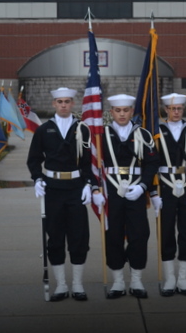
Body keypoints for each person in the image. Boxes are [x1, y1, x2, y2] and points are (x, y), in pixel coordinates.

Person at [27, 87, 103, 302]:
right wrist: (37, 178)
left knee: (79, 237)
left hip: (76, 188)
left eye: (67, 101)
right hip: (53, 189)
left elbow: (89, 163)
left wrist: (90, 184)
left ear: (73, 104)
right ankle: (61, 284)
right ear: (53, 104)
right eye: (59, 101)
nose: (63, 105)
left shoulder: (82, 129)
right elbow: (34, 159)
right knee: (56, 237)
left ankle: (77, 284)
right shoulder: (44, 130)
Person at [100, 94, 159, 299]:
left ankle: (136, 280)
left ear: (131, 112)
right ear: (111, 113)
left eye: (126, 110)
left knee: (139, 234)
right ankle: (117, 281)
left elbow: (152, 164)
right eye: (118, 110)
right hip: (111, 192)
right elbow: (93, 164)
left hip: (136, 191)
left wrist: (144, 187)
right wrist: (95, 190)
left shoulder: (143, 134)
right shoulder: (101, 135)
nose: (122, 114)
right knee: (113, 235)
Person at [156, 93, 186, 297]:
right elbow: (149, 163)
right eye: (172, 108)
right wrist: (152, 192)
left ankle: (183, 278)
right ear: (166, 110)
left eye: (180, 109)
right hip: (165, 186)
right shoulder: (156, 132)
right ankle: (169, 278)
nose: (176, 112)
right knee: (166, 231)